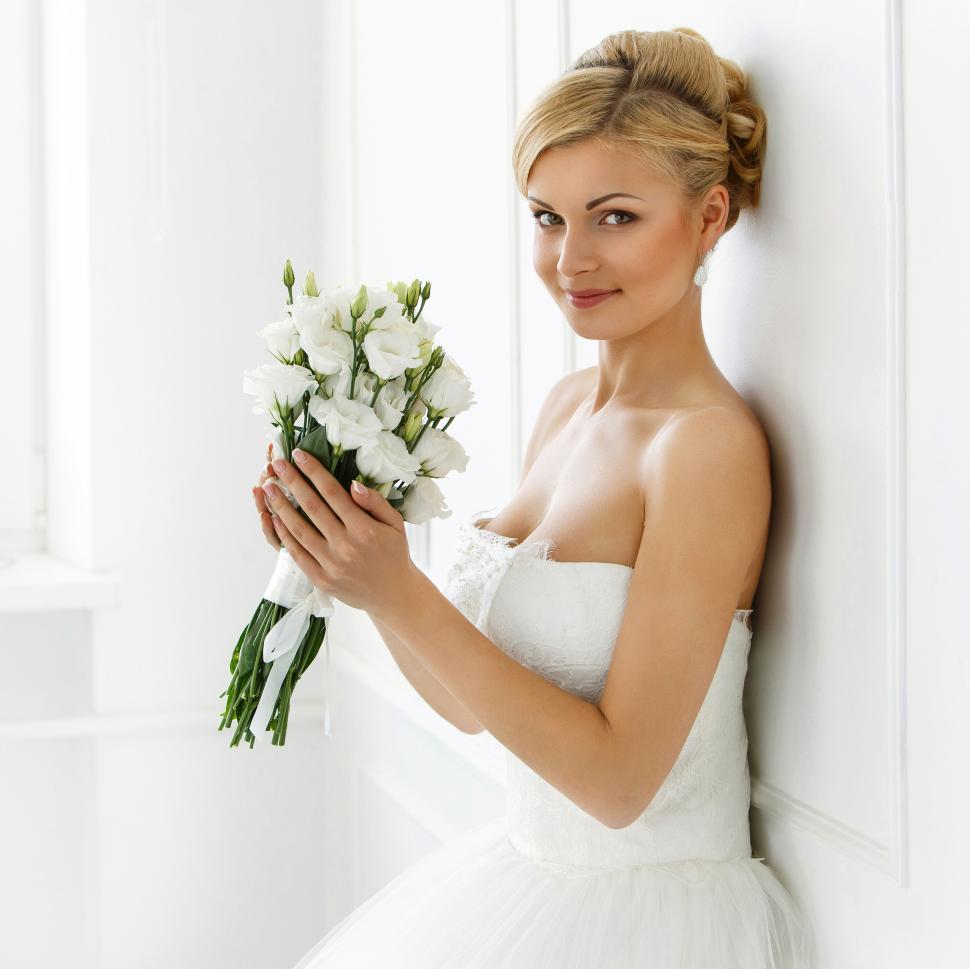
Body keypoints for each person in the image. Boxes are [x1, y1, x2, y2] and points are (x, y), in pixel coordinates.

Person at [253, 26, 815, 968]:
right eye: (547, 217)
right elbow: (475, 706)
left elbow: (620, 781)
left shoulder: (707, 449)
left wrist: (399, 592)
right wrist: (350, 561)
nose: (570, 259)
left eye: (615, 217)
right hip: (525, 879)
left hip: (649, 926)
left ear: (710, 215)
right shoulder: (565, 409)